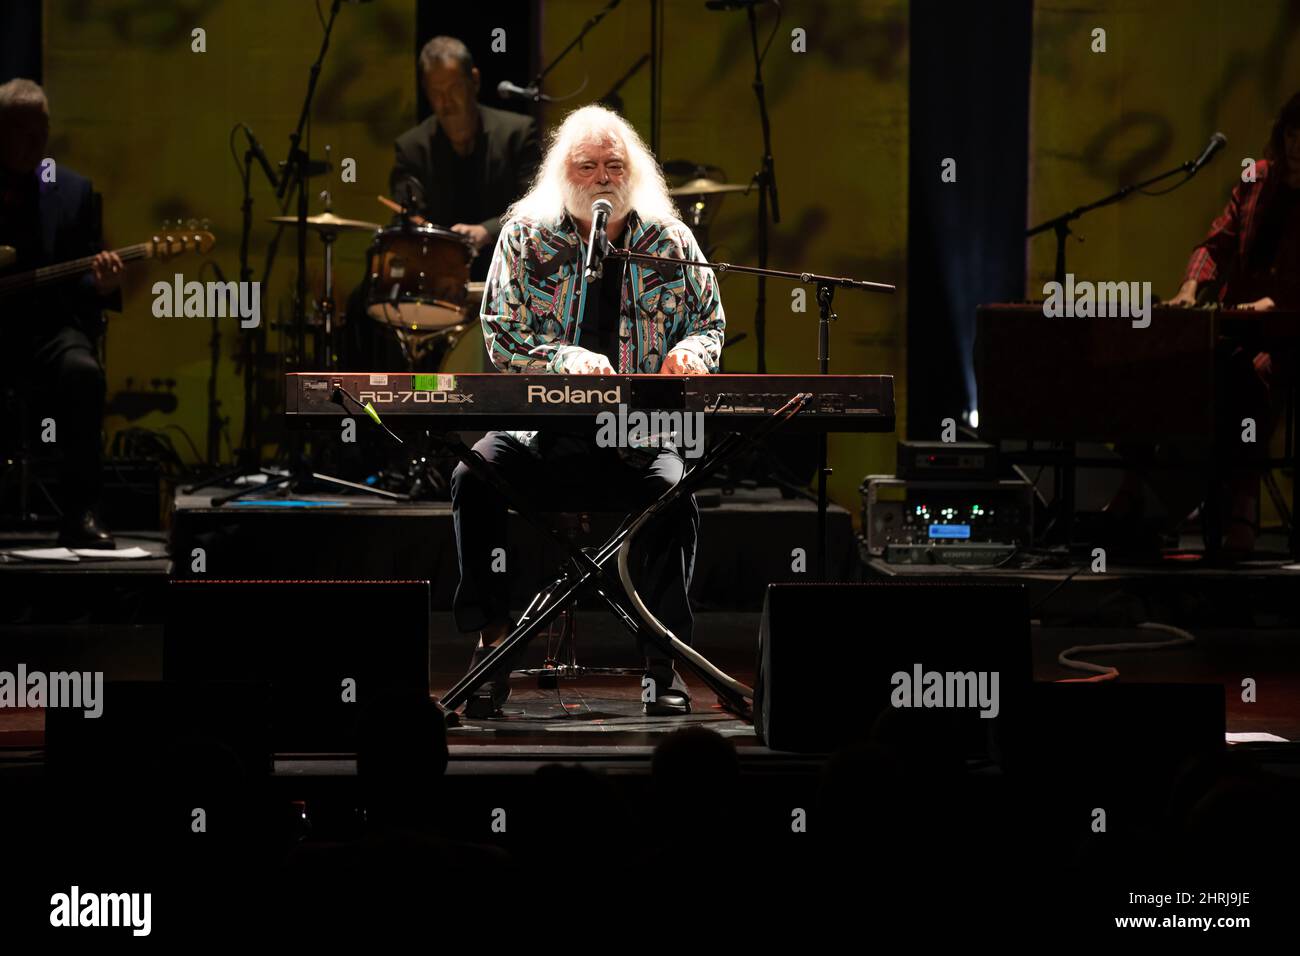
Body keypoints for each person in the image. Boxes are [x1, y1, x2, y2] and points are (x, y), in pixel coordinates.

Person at [452, 104, 725, 717]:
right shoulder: (525, 235)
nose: (602, 176)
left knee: (672, 490)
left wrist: (689, 353)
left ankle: (663, 661)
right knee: (473, 476)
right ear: (564, 171)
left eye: (614, 164)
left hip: (636, 432)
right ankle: (491, 644)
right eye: (588, 165)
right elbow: (500, 331)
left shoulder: (671, 239)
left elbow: (709, 324)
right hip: (540, 432)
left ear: (633, 172)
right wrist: (559, 359)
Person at [1107, 93, 1300, 555]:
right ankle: (1135, 491)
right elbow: (1216, 244)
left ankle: (1240, 509)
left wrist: (1279, 301)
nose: (1297, 144)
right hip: (1235, 327)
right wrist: (1192, 287)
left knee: (1253, 378)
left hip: (1287, 336)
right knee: (1164, 359)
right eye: (1292, 133)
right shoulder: (1257, 177)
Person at [0, 78, 123, 548]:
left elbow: (84, 276)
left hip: (47, 328)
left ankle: (80, 514)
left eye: (43, 132)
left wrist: (104, 280)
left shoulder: (71, 190)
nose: (36, 144)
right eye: (23, 132)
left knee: (82, 372)